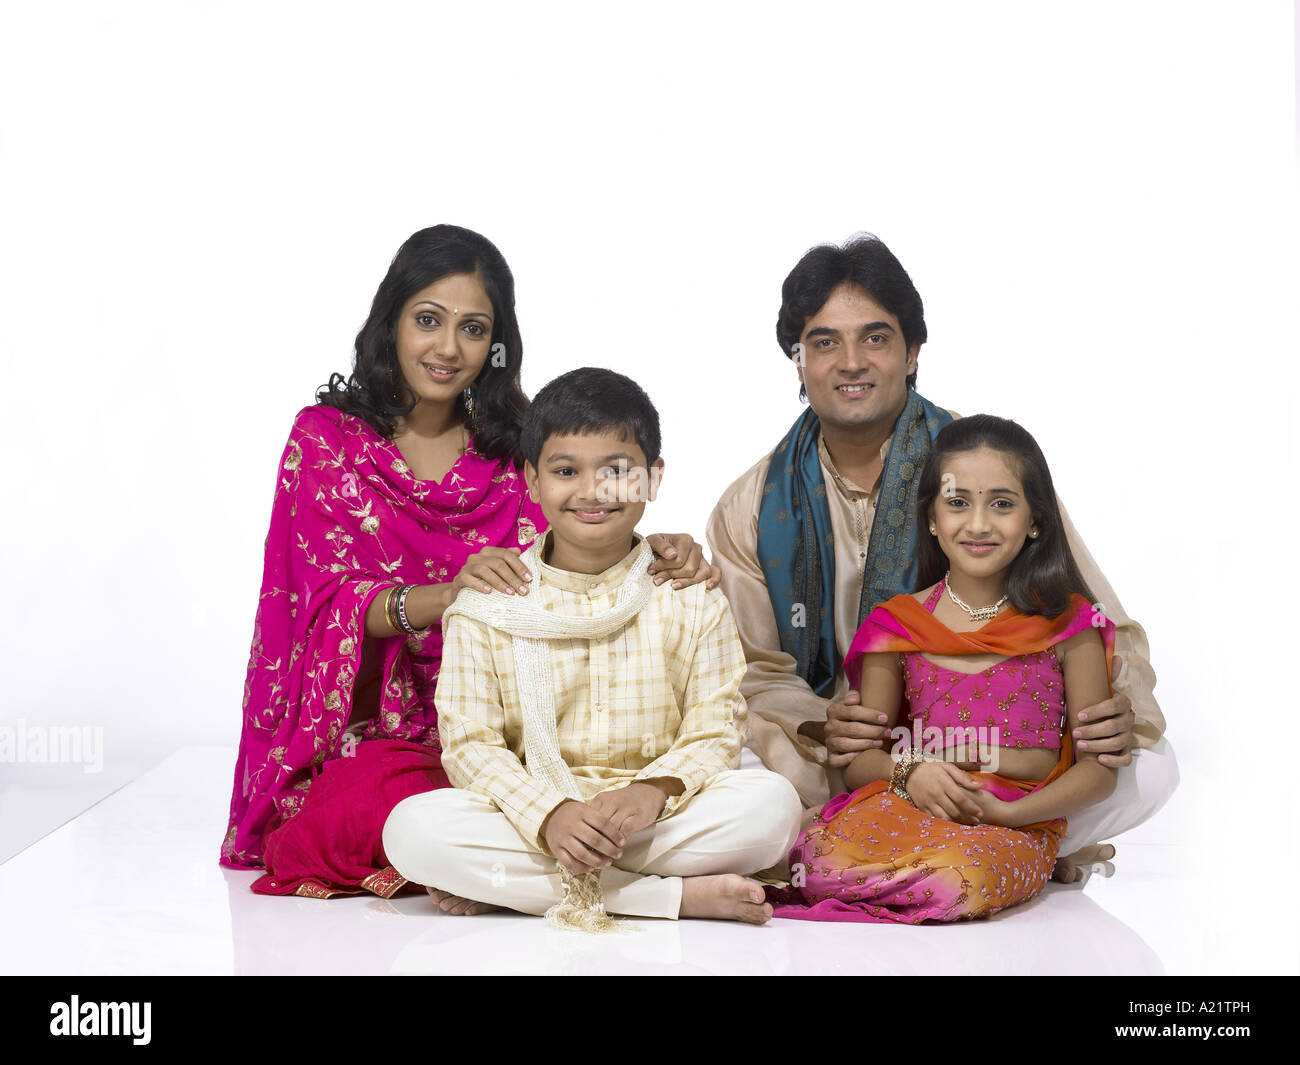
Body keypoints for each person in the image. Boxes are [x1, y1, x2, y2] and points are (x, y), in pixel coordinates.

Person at [221, 226, 717, 900]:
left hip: (523, 731)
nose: (449, 348)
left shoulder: (513, 450)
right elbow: (315, 606)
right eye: (428, 320)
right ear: (391, 320)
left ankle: (521, 879)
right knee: (377, 820)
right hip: (386, 737)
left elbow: (579, 552)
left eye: (474, 328)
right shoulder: (328, 440)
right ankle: (651, 890)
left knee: (717, 791)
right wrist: (445, 594)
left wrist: (656, 549)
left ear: (496, 344)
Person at [706, 235, 1177, 875]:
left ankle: (936, 840)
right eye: (824, 342)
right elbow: (757, 672)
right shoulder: (751, 505)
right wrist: (837, 729)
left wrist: (1112, 719)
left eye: (875, 338)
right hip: (849, 752)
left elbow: (1093, 616)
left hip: (998, 752)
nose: (851, 362)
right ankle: (1016, 844)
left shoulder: (987, 467)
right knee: (742, 769)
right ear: (798, 360)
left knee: (1149, 770)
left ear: (912, 352)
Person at [382, 368, 804, 926]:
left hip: (653, 816)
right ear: (531, 481)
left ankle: (519, 889)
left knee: (771, 808)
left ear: (654, 478)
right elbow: (471, 745)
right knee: (412, 831)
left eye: (618, 471)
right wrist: (552, 815)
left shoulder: (686, 592)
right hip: (536, 817)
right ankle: (669, 898)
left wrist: (651, 792)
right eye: (565, 471)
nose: (592, 491)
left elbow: (716, 729)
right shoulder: (492, 599)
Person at [769, 415, 1117, 921]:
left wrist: (1012, 814)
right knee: (819, 861)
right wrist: (912, 771)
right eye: (957, 503)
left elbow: (1099, 772)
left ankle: (995, 868)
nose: (978, 524)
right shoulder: (898, 624)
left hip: (1016, 819)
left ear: (1035, 519)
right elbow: (857, 762)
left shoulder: (1068, 623)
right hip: (913, 800)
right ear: (931, 517)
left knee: (958, 879)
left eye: (1002, 503)